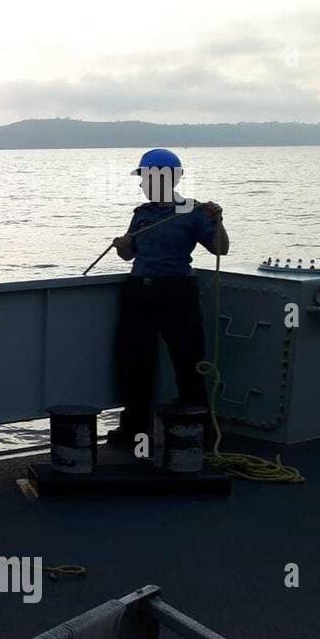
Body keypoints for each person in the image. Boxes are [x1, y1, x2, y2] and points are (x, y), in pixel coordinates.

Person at [108, 148, 229, 449]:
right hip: (139, 292)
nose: (144, 184)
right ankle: (135, 429)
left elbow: (220, 249)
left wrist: (218, 221)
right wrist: (121, 246)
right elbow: (129, 255)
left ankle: (198, 431)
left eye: (147, 178)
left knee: (188, 360)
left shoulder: (195, 211)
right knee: (134, 362)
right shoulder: (142, 214)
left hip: (177, 292)